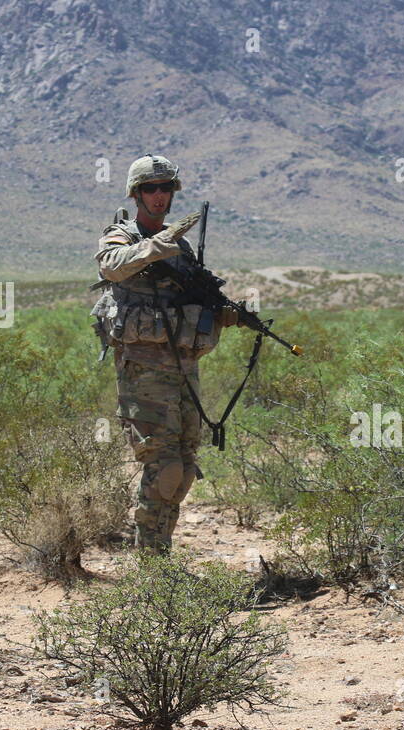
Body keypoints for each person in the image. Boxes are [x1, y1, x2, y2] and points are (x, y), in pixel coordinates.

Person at [91, 154, 237, 552]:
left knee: (186, 465)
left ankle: (160, 555)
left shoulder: (182, 247)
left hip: (183, 367)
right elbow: (110, 266)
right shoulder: (122, 235)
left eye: (166, 188)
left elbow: (189, 299)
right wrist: (156, 245)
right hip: (145, 369)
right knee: (164, 465)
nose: (159, 196)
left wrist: (224, 314)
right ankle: (151, 567)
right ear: (136, 194)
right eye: (150, 189)